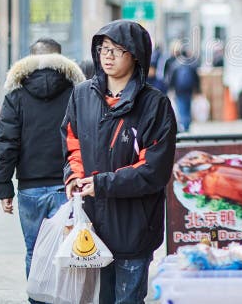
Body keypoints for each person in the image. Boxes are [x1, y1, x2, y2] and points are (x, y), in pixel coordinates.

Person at [61, 20, 177, 304]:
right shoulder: (82, 95)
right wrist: (74, 177)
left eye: (117, 50)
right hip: (91, 226)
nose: (108, 56)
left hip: (134, 226)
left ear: (135, 55)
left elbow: (153, 169)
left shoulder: (154, 104)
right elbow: (71, 145)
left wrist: (102, 184)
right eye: (104, 49)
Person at [0, 38, 85, 287]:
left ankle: (38, 299)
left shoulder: (16, 96)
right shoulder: (77, 93)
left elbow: (7, 142)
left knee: (34, 250)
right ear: (62, 59)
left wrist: (3, 188)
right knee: (67, 250)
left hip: (29, 188)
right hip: (67, 185)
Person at [167, 46, 199, 132]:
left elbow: (171, 78)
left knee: (181, 108)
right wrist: (197, 90)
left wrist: (170, 89)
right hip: (189, 89)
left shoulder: (175, 64)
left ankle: (184, 125)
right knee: (188, 107)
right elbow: (196, 77)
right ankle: (187, 125)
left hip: (179, 90)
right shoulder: (191, 64)